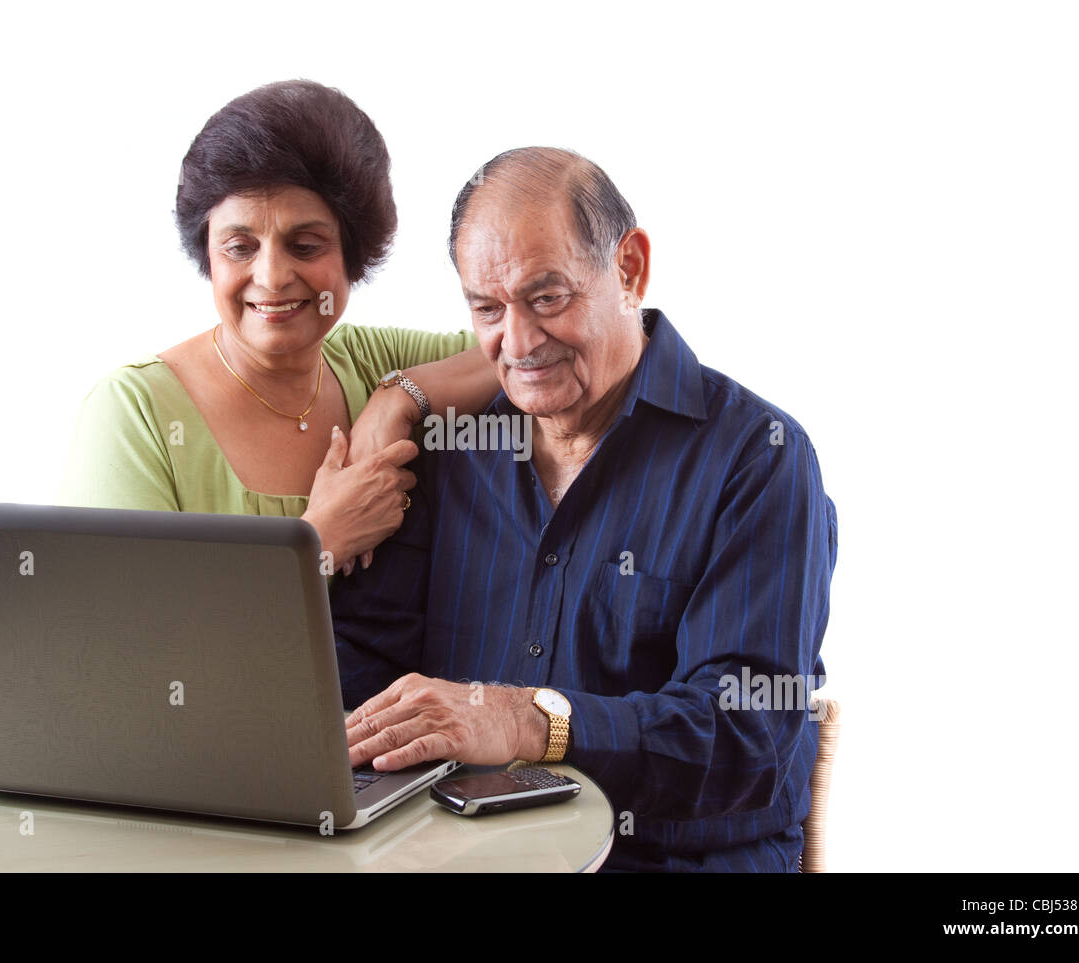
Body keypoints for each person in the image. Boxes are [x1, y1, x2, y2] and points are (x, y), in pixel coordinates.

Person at [331, 147, 838, 872]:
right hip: (467, 856)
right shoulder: (449, 452)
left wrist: (523, 719)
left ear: (629, 268)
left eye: (548, 297)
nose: (519, 343)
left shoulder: (759, 457)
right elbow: (363, 668)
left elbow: (744, 735)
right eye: (487, 309)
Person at [57, 80, 498, 574]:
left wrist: (396, 399)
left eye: (305, 245)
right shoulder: (135, 415)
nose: (270, 278)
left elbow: (516, 351)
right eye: (240, 247)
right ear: (207, 253)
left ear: (354, 255)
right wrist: (320, 541)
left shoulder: (371, 362)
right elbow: (125, 636)